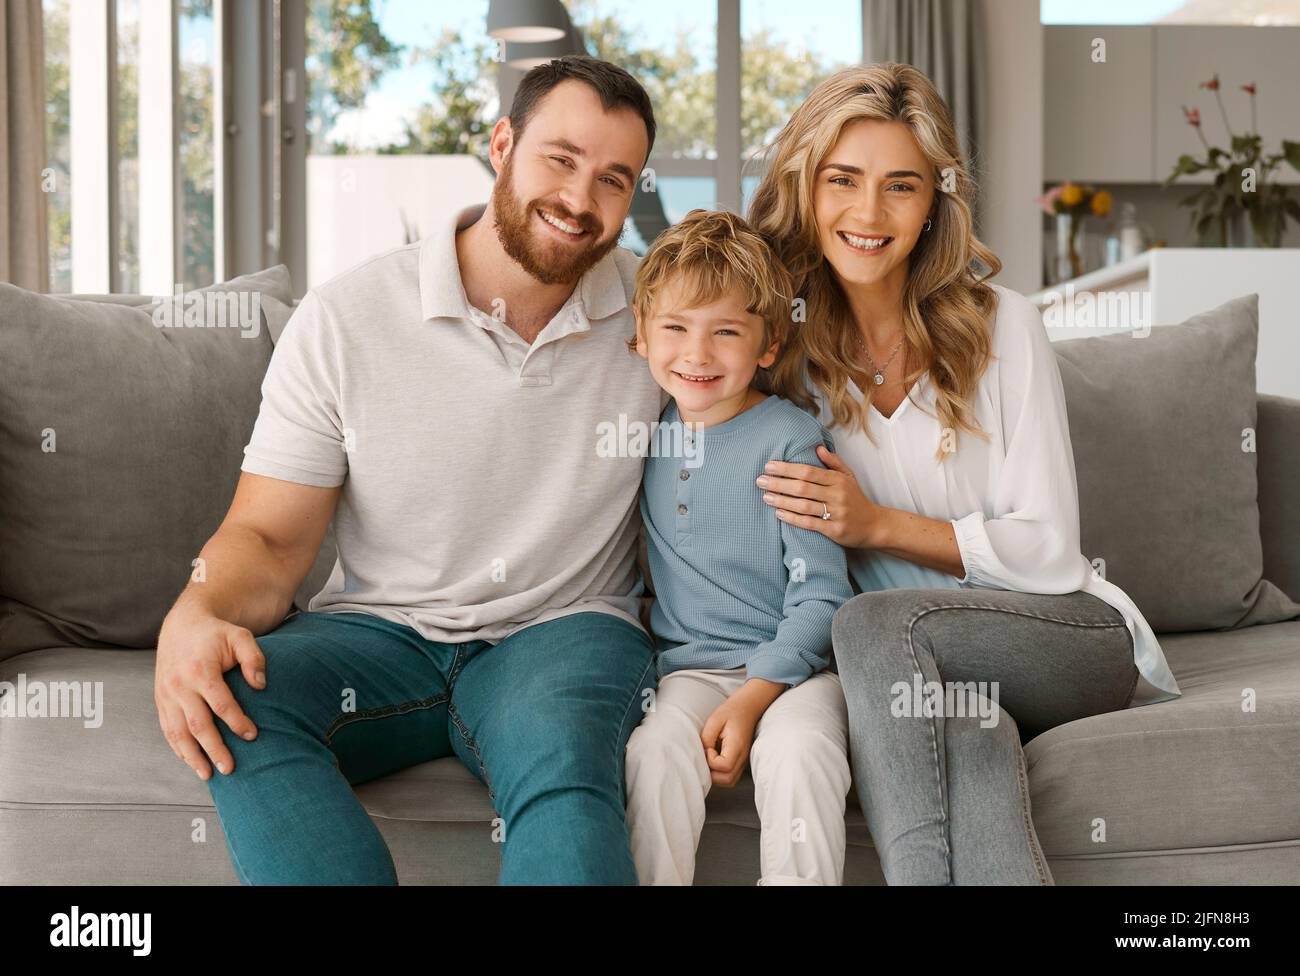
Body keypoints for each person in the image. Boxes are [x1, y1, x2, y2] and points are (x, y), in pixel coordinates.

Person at [153, 56, 672, 885]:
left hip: (564, 631)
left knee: (568, 766)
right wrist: (197, 609)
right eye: (560, 159)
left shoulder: (664, 324)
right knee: (234, 700)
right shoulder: (347, 317)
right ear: (503, 144)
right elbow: (269, 536)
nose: (580, 199)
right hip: (378, 633)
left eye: (614, 178)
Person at [747, 63, 1181, 885]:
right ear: (805, 188)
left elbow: (1051, 550)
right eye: (843, 180)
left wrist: (876, 524)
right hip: (919, 675)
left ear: (935, 203)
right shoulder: (783, 353)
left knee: (873, 624)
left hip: (1062, 637)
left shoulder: (1005, 326)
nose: (868, 214)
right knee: (967, 737)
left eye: (900, 186)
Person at [622, 209, 855, 885]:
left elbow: (823, 595)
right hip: (688, 672)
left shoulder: (789, 439)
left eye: (726, 332)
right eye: (675, 329)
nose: (697, 355)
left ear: (769, 344)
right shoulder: (646, 430)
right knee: (654, 754)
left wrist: (754, 697)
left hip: (797, 671)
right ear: (640, 334)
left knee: (802, 752)